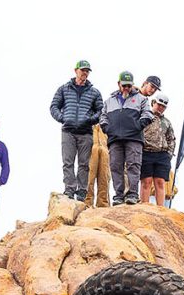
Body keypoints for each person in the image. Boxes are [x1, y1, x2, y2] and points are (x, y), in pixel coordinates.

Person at [49, 60, 103, 201]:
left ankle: (82, 191)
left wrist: (90, 120)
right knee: (68, 162)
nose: (85, 73)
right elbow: (54, 106)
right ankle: (69, 189)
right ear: (76, 71)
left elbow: (100, 111)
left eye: (87, 71)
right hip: (68, 131)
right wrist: (63, 118)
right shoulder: (64, 89)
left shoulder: (94, 92)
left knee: (84, 164)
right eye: (82, 70)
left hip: (86, 132)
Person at [101, 72, 152, 205]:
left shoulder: (141, 99)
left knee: (133, 166)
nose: (126, 88)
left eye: (129, 85)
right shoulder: (109, 101)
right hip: (114, 139)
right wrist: (107, 128)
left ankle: (132, 195)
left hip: (134, 138)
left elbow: (147, 115)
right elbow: (103, 117)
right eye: (124, 85)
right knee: (115, 167)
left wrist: (137, 125)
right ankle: (118, 196)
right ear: (119, 84)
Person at [140, 93, 176, 205]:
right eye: (159, 104)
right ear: (153, 103)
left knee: (160, 182)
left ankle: (160, 208)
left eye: (163, 106)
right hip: (146, 153)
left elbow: (171, 139)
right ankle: (144, 206)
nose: (160, 108)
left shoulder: (167, 122)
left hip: (162, 155)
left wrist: (169, 154)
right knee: (146, 181)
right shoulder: (144, 118)